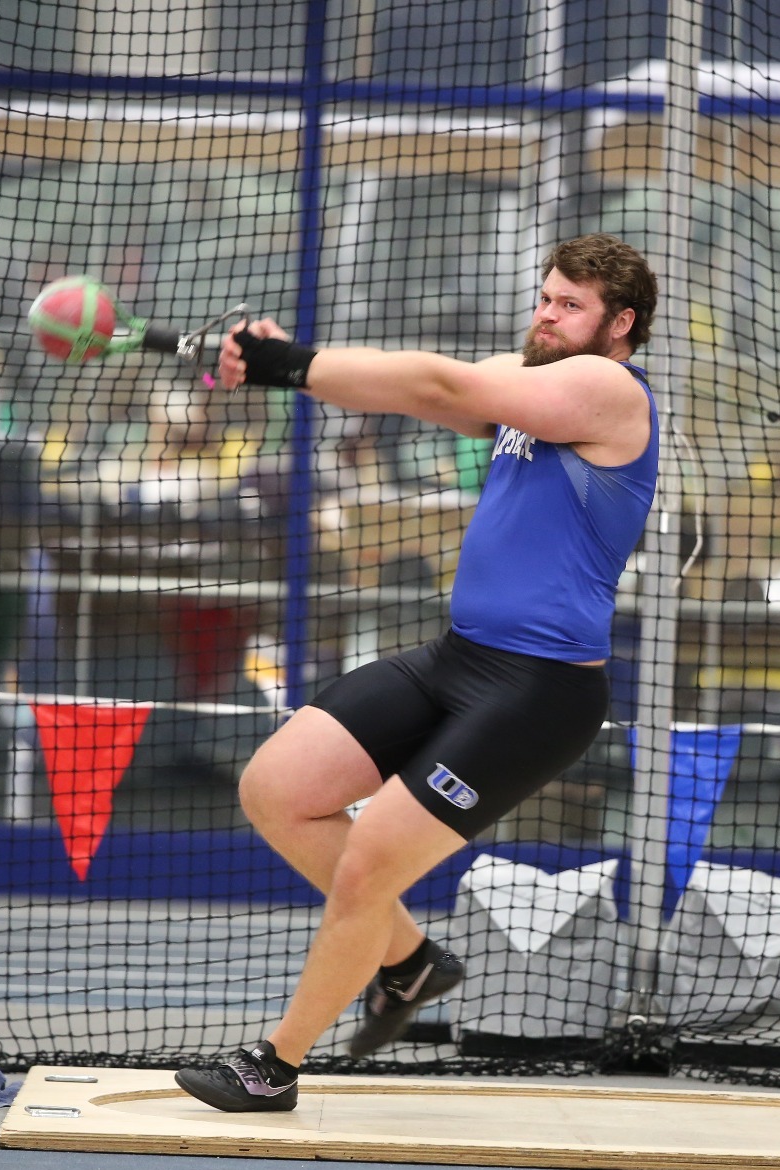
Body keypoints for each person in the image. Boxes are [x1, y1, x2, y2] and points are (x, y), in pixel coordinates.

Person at [175, 233, 660, 1111]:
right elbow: (412, 389)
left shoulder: (606, 387)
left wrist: (293, 362)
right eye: (545, 297)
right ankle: (407, 959)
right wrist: (289, 367)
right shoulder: (534, 385)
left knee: (366, 865)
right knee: (277, 787)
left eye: (570, 305)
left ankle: (275, 1066)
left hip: (538, 693)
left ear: (620, 324)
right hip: (459, 658)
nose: (546, 315)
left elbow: (442, 383)